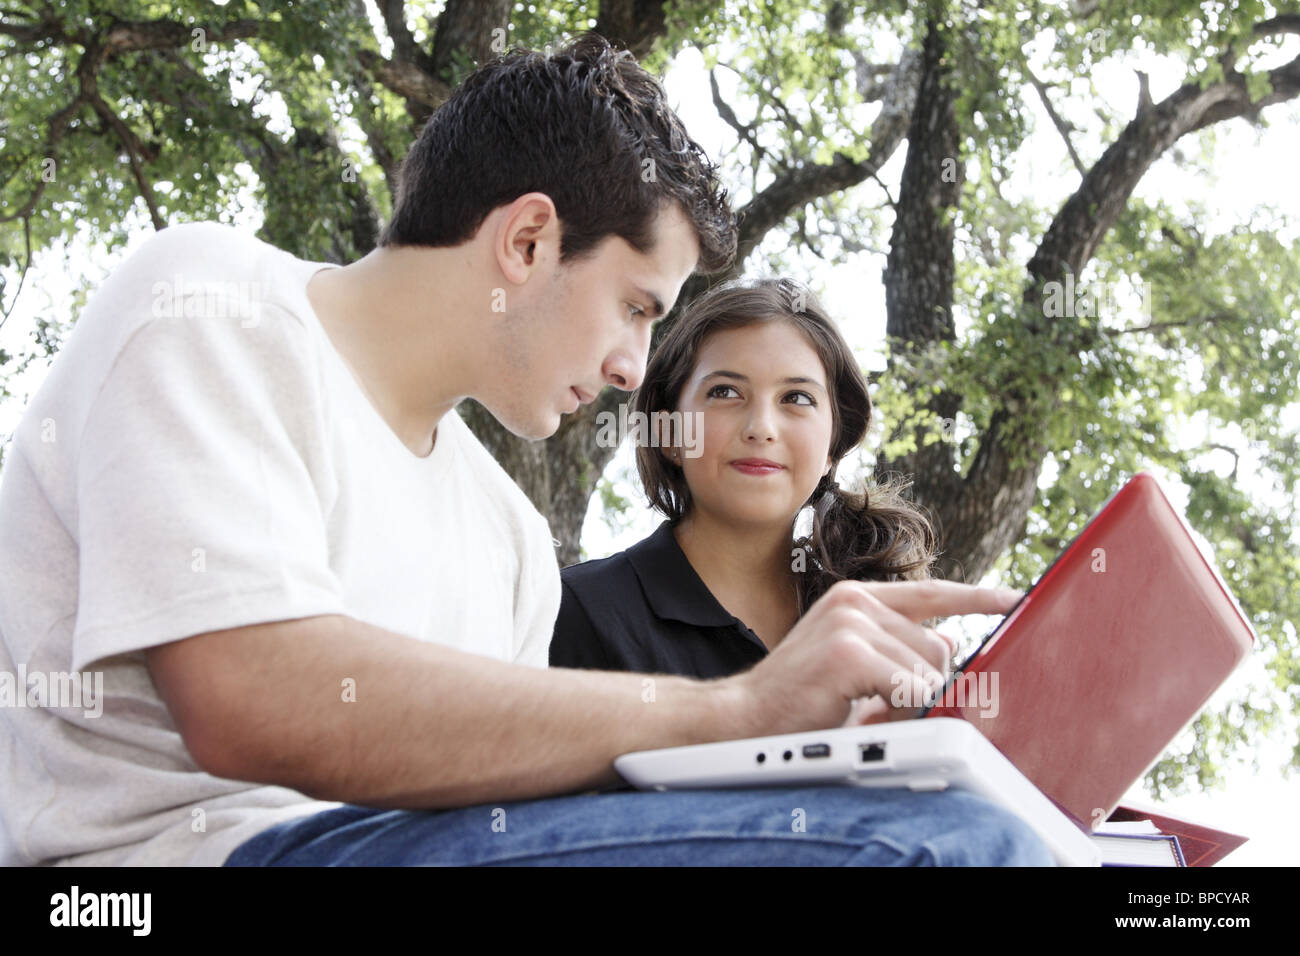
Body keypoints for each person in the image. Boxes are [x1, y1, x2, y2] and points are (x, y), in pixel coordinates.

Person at [0, 34, 1051, 867]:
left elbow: (522, 812)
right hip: (178, 865)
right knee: (955, 849)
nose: (636, 368)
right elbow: (250, 696)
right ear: (527, 240)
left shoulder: (505, 535)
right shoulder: (211, 301)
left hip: (398, 844)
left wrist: (828, 760)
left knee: (972, 813)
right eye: (635, 308)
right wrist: (739, 706)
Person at [551, 278, 942, 699]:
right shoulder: (575, 610)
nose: (761, 429)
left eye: (797, 397)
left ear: (833, 445)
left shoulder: (874, 616)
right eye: (725, 392)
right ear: (668, 432)